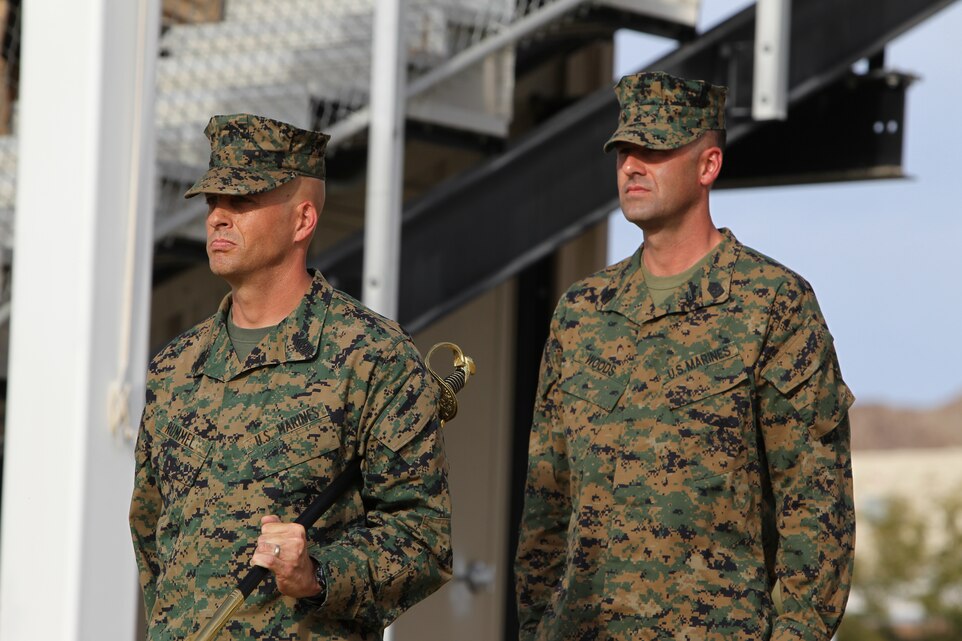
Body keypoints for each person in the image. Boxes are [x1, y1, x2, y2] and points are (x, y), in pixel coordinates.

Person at [514, 71, 855, 641]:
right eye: (624, 151)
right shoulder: (581, 313)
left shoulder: (772, 303)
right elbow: (546, 504)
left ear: (707, 166)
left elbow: (816, 505)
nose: (630, 166)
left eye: (654, 150)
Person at [129, 113, 452, 640]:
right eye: (213, 201)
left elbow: (422, 540)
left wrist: (318, 575)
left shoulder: (371, 358)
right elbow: (151, 534)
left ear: (302, 221)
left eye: (243, 202)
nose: (217, 218)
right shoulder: (175, 368)